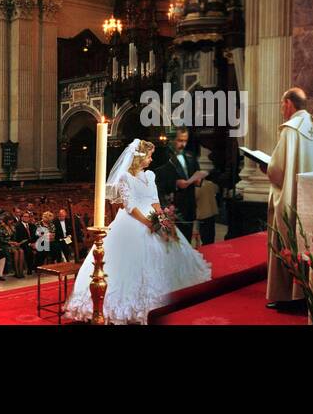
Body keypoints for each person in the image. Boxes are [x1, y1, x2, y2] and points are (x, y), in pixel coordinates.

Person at [63, 139, 213, 324]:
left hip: (152, 216)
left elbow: (154, 200)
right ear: (139, 157)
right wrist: (148, 223)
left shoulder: (149, 176)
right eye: (149, 156)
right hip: (132, 221)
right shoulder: (125, 178)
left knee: (171, 248)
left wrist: (161, 218)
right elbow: (130, 206)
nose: (151, 160)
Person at [261, 87, 313, 309]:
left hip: (291, 197)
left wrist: (264, 167)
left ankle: (289, 297)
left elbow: (276, 171)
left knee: (286, 241)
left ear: (288, 104)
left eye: (281, 104)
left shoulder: (290, 130)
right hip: (312, 198)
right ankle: (308, 294)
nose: (280, 109)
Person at [154, 128, 206, 242]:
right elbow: (157, 182)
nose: (183, 144)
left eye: (185, 141)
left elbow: (197, 174)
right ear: (172, 140)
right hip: (172, 207)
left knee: (186, 242)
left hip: (189, 207)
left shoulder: (190, 156)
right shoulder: (162, 157)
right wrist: (175, 184)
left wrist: (198, 180)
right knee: (173, 244)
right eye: (180, 140)